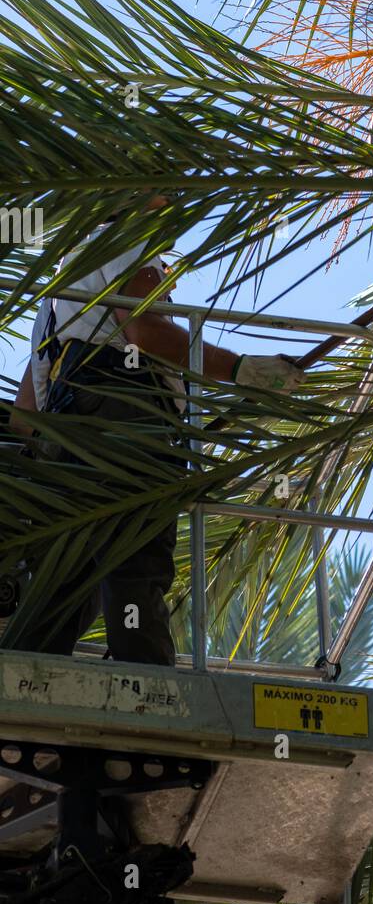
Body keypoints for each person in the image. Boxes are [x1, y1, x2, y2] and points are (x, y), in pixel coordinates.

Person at [6, 198, 303, 665]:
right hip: (126, 414)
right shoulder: (127, 240)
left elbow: (27, 408)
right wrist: (242, 369)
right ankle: (146, 686)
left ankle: (26, 676)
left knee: (66, 570)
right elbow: (145, 332)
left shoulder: (58, 294)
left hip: (69, 431)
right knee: (135, 558)